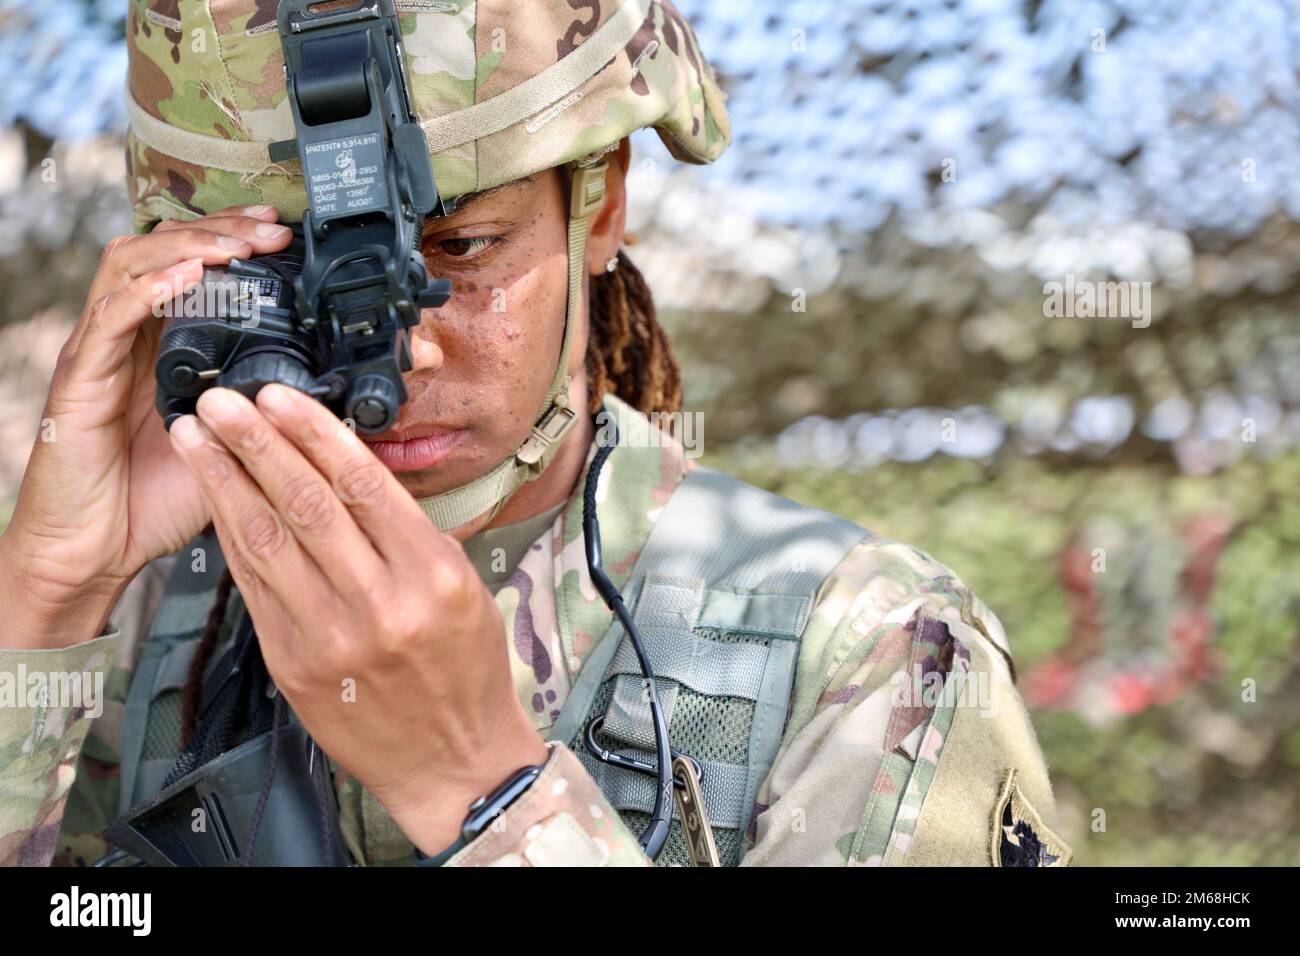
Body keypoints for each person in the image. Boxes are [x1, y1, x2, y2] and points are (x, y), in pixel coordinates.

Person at [0, 0, 1071, 867]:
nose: (399, 353)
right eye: (289, 282)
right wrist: (46, 591)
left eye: (460, 248)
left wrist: (486, 794)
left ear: (598, 205)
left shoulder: (865, 651)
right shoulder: (140, 624)